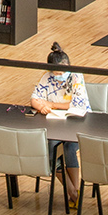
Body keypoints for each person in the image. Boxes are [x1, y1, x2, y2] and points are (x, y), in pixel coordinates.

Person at [30, 45, 90, 206]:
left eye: (62, 73)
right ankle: (72, 191)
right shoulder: (46, 77)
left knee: (70, 147)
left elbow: (76, 105)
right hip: (55, 124)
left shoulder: (76, 76)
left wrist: (50, 104)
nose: (59, 77)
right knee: (51, 147)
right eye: (56, 74)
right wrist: (40, 106)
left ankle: (74, 190)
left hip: (77, 122)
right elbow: (34, 98)